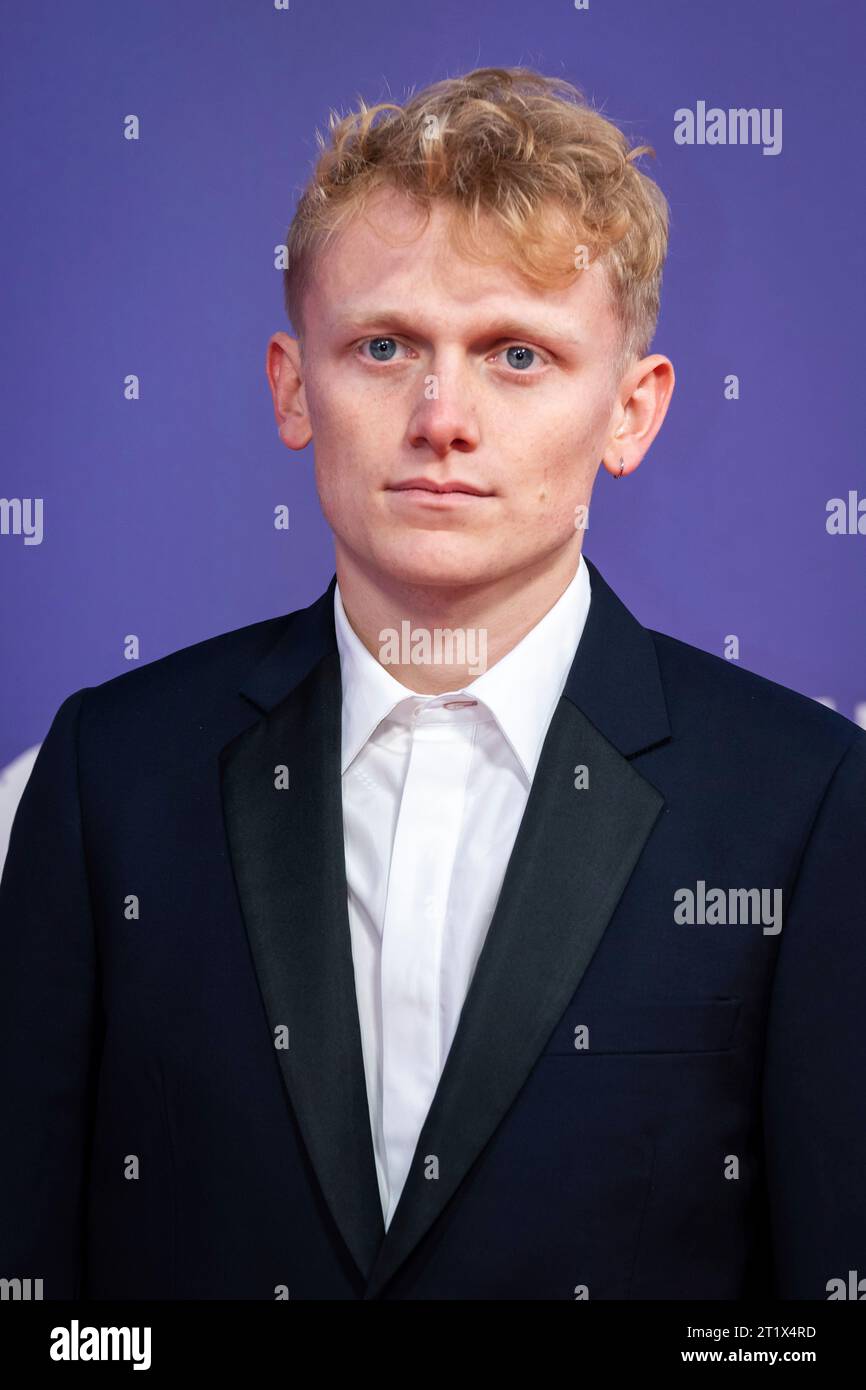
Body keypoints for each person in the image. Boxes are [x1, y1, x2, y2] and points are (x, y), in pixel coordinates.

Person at [1, 66, 864, 1301]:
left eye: (517, 353)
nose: (440, 413)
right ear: (294, 386)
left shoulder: (807, 805)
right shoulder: (109, 776)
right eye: (384, 344)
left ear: (631, 411)